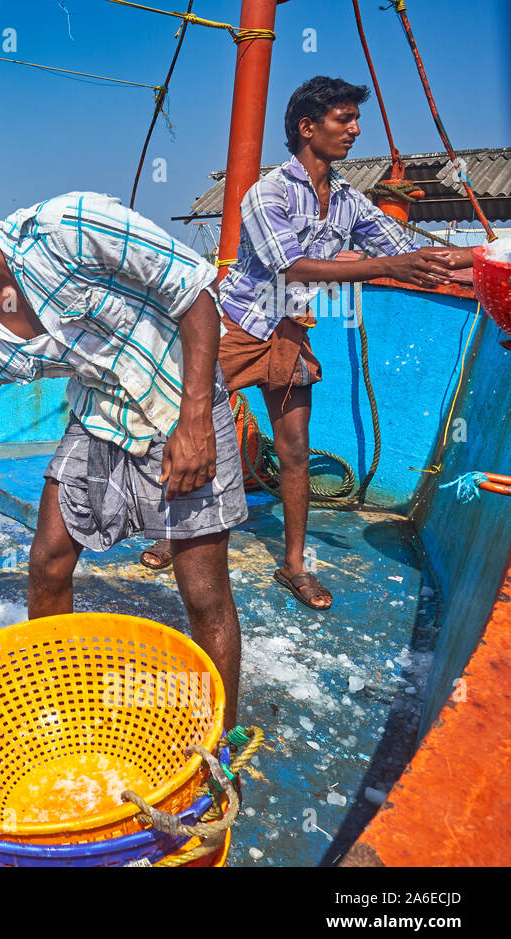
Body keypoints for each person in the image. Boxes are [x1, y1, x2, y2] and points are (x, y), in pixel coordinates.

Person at [0, 167, 248, 728]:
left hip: (182, 397)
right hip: (100, 413)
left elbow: (194, 293)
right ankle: (54, 710)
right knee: (48, 561)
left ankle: (221, 744)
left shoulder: (69, 227)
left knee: (203, 593)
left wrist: (197, 417)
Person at [138, 76, 473, 610]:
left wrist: (482, 259)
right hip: (238, 327)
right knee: (191, 428)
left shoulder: (349, 200)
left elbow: (410, 251)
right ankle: (170, 533)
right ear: (307, 127)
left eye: (354, 120)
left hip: (290, 333)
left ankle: (293, 565)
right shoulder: (266, 192)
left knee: (293, 450)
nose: (355, 130)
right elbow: (289, 267)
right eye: (344, 120)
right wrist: (389, 265)